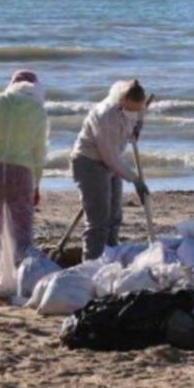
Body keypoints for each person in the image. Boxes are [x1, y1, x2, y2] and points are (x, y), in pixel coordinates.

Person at [0, 70, 49, 301]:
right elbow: (39, 152)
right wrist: (37, 184)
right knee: (22, 229)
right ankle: (22, 285)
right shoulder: (38, 110)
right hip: (21, 170)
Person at [71, 79, 150, 260]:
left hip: (112, 160)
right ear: (122, 101)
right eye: (131, 109)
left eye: (137, 108)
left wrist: (138, 127)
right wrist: (135, 180)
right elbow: (110, 158)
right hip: (90, 162)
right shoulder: (105, 116)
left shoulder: (137, 106)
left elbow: (140, 115)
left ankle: (110, 258)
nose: (134, 113)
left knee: (114, 217)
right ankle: (91, 265)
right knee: (98, 221)